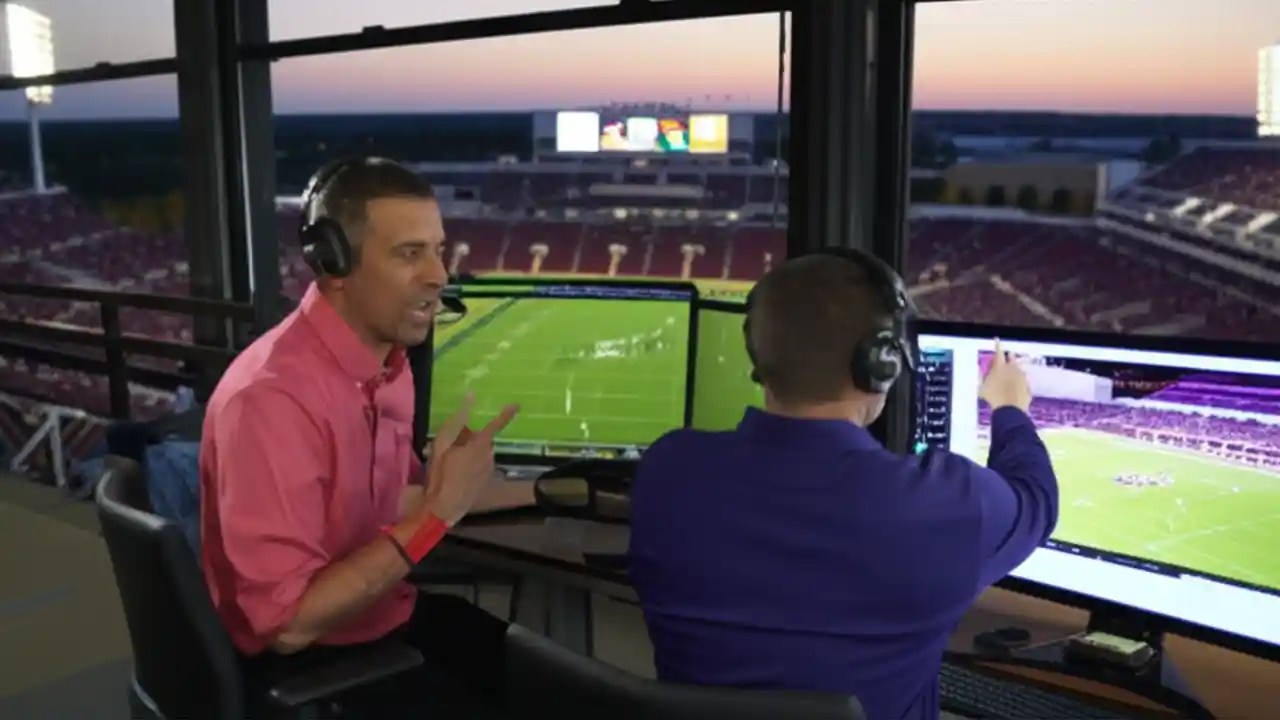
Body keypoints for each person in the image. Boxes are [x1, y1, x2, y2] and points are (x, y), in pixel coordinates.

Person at [627, 249, 1058, 720]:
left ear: (757, 351)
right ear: (883, 362)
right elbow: (1036, 496)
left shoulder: (667, 470)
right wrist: (1009, 408)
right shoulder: (946, 506)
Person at [199, 157, 532, 716]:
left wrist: (548, 492)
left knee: (552, 681)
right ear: (334, 264)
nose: (440, 275)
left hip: (381, 614)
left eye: (438, 250)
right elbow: (287, 624)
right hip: (309, 662)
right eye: (409, 254)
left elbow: (386, 501)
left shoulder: (389, 365)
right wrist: (439, 513)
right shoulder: (272, 401)